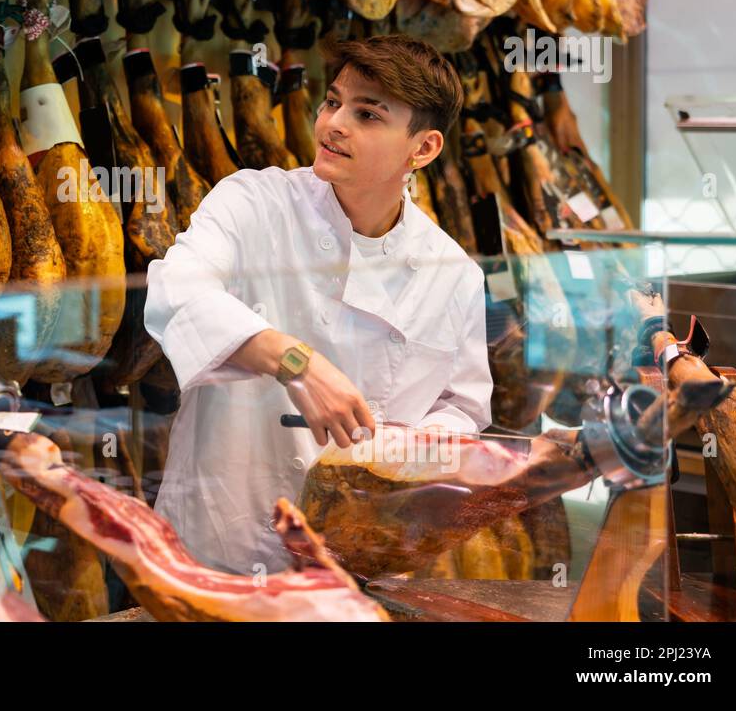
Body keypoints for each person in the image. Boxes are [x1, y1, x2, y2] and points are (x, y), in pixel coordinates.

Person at [143, 35, 493, 574]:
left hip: (361, 560)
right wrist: (294, 360)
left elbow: (463, 409)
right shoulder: (252, 201)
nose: (333, 123)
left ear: (422, 148)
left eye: (368, 114)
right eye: (333, 102)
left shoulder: (454, 274)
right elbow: (177, 290)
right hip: (222, 549)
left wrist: (401, 455)